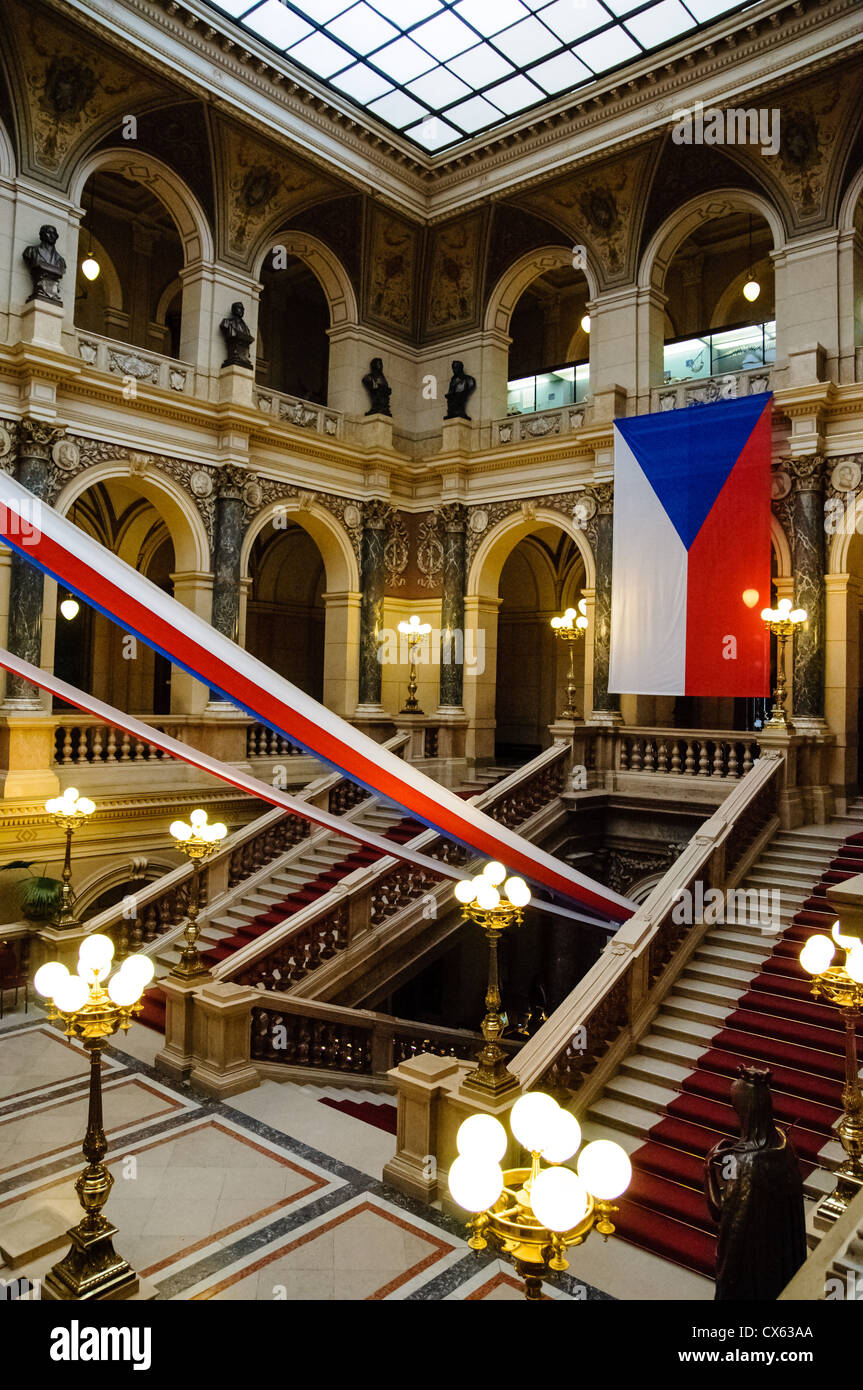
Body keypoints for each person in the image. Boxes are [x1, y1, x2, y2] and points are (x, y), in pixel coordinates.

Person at [704, 1066, 807, 1300]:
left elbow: (721, 1212)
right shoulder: (782, 1141)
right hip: (780, 1252)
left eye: (736, 1106)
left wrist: (708, 1168)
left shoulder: (746, 1161)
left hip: (753, 1262)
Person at [23, 225, 66, 304]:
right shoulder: (31, 251)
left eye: (54, 234)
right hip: (38, 291)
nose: (52, 236)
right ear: (42, 235)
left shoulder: (60, 261)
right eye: (49, 233)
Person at [219, 302, 254, 369]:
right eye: (239, 308)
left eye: (243, 309)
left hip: (243, 357)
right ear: (234, 310)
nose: (242, 310)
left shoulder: (246, 328)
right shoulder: (226, 322)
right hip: (233, 356)